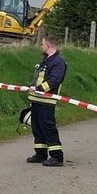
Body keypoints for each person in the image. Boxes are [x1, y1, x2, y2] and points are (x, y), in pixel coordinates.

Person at [25, 35, 67, 167]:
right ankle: (40, 153)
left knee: (48, 128)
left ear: (48, 45)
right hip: (36, 99)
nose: (41, 46)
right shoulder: (46, 60)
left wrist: (38, 89)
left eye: (42, 44)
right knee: (37, 127)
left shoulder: (58, 62)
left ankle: (57, 156)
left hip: (46, 101)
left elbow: (54, 80)